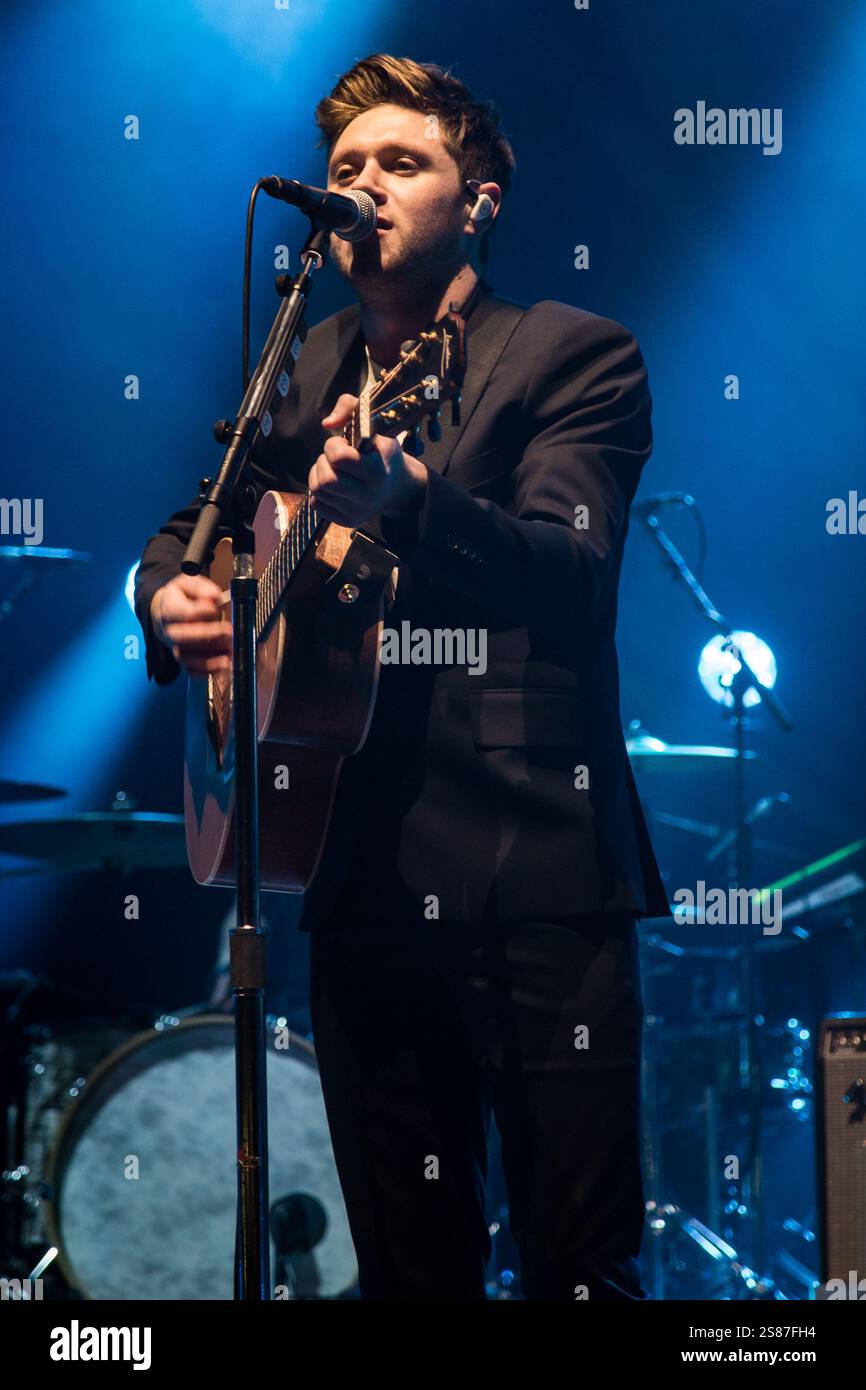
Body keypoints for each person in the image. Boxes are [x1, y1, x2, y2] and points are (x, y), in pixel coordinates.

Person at [134, 53, 670, 1301]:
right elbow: (192, 525)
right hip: (357, 877)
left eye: (401, 162)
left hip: (533, 871)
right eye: (344, 169)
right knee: (406, 1272)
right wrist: (164, 596)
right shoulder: (302, 366)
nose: (364, 184)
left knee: (576, 1263)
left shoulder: (569, 355)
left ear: (475, 199)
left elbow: (572, 576)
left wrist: (416, 504)